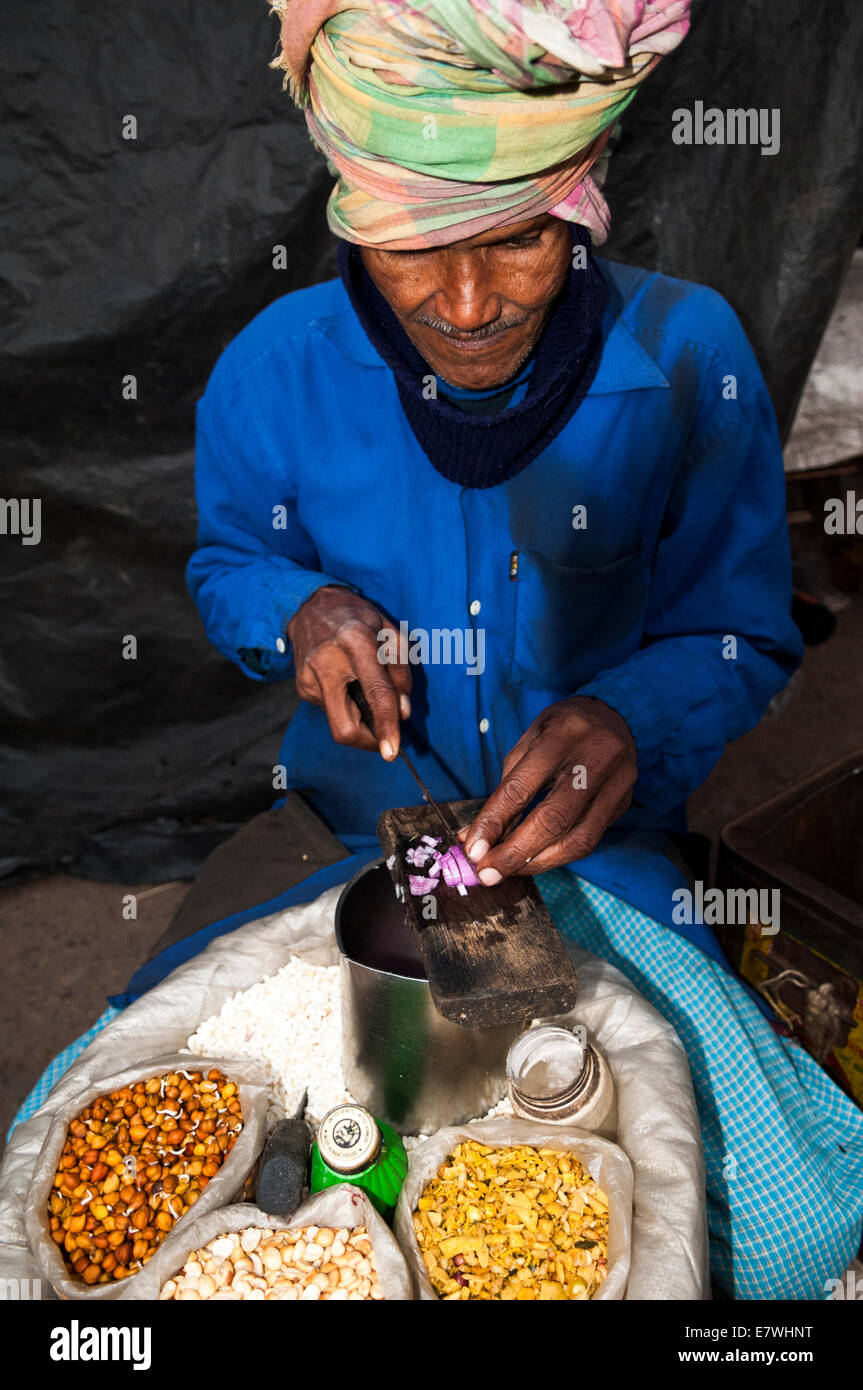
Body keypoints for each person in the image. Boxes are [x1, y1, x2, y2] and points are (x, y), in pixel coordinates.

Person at [184, 0, 863, 1297]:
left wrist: (627, 717)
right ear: (352, 217)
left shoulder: (686, 356)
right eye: (413, 249)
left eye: (518, 240)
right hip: (346, 838)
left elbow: (744, 631)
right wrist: (299, 608)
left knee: (777, 1234)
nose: (468, 301)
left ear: (585, 199)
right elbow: (228, 561)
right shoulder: (272, 373)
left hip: (599, 860)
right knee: (257, 1172)